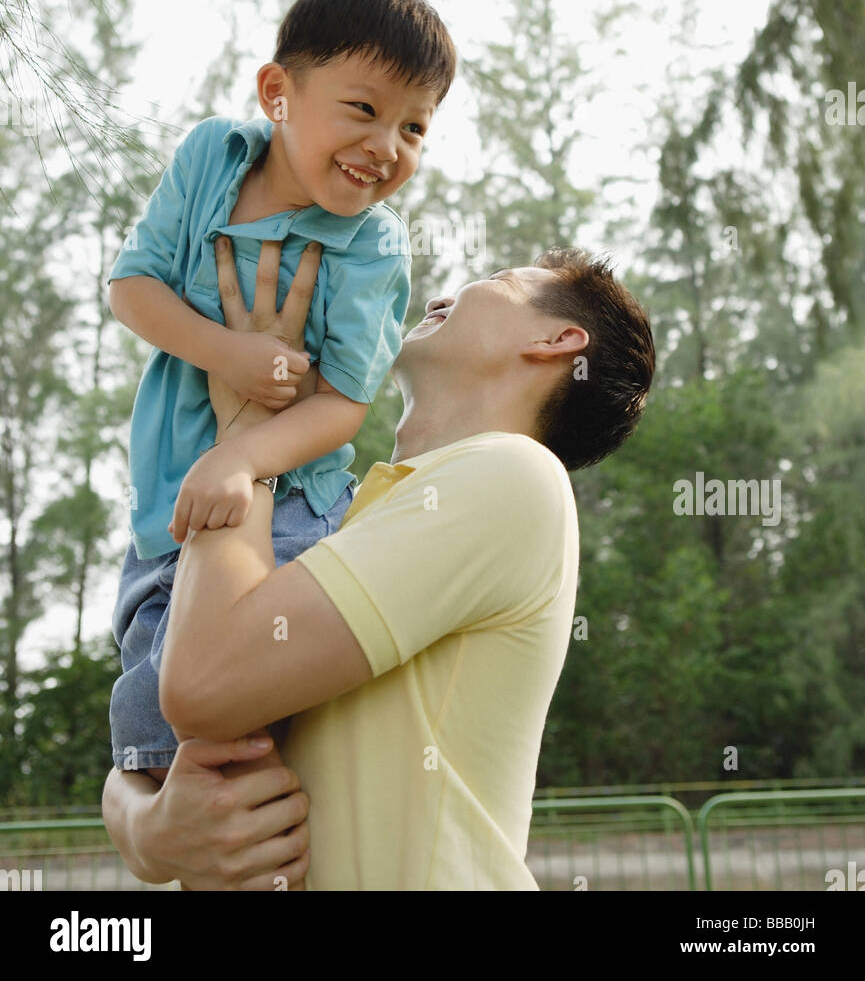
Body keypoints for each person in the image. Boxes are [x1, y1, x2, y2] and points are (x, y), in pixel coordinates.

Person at [103, 233, 655, 890]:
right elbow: (169, 701)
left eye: (499, 281)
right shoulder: (353, 518)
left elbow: (205, 685)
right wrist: (145, 828)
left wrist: (248, 427)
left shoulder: (514, 473)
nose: (440, 295)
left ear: (558, 341)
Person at [105, 0, 457, 780]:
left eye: (414, 127)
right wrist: (228, 354)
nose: (387, 146)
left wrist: (242, 456)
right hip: (165, 508)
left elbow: (342, 405)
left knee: (245, 709)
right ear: (279, 93)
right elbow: (132, 287)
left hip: (289, 504)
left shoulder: (371, 246)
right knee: (147, 718)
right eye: (364, 109)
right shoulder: (211, 159)